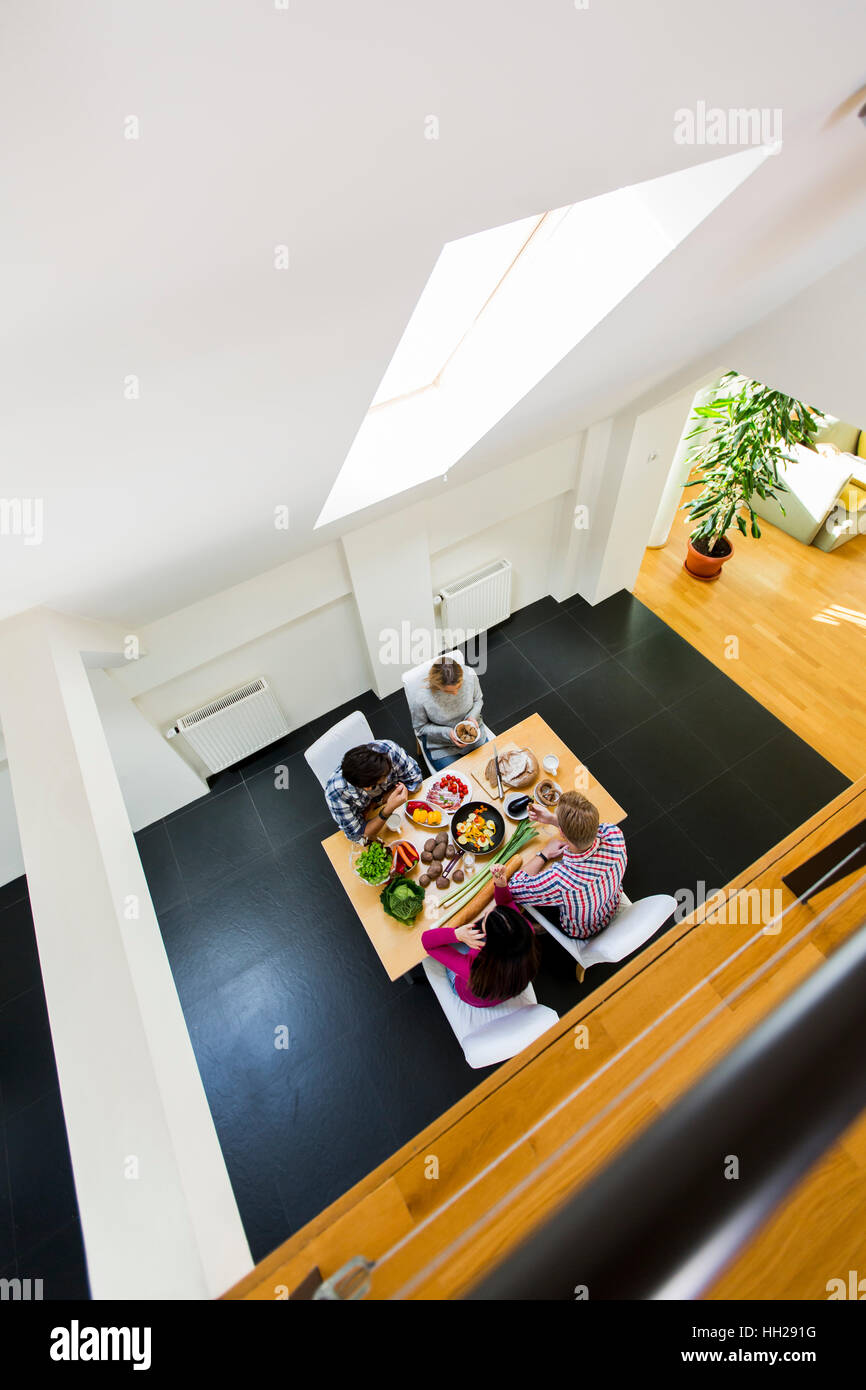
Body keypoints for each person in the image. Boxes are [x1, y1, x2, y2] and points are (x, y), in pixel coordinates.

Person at [506, 791, 626, 939]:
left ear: (561, 832)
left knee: (513, 910)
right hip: (609, 905)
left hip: (580, 930)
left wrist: (544, 854)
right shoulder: (614, 834)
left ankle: (540, 929)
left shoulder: (561, 879)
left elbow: (513, 888)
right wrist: (553, 819)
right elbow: (590, 830)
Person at [421, 877, 540, 1008]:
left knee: (449, 939)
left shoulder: (474, 970)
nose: (486, 912)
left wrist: (456, 935)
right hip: (506, 985)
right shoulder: (525, 933)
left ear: (489, 945)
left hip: (467, 990)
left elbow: (428, 943)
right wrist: (501, 886)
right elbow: (506, 902)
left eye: (484, 921)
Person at [325, 739, 423, 842]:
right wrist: (388, 809)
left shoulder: (389, 751)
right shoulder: (336, 794)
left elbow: (415, 782)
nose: (387, 779)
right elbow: (358, 835)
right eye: (384, 777)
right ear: (367, 787)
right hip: (376, 818)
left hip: (374, 811)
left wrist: (376, 803)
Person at [408, 656, 485, 770]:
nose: (455, 693)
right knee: (459, 780)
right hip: (441, 745)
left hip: (473, 736)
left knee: (488, 766)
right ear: (437, 685)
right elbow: (420, 728)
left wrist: (472, 716)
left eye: (459, 687)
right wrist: (447, 733)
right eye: (448, 691)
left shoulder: (469, 675)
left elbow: (478, 700)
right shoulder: (421, 699)